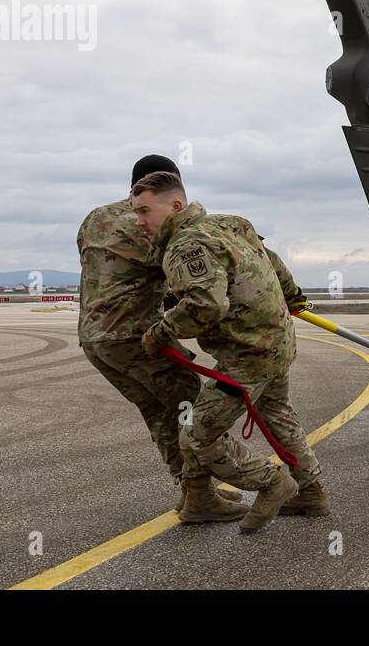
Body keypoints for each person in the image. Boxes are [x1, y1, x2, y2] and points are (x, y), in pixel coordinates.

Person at [131, 171, 326, 533]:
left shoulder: (186, 246)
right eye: (135, 213)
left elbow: (205, 305)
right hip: (277, 342)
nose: (139, 222)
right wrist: (293, 295)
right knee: (278, 415)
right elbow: (273, 261)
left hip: (248, 356)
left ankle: (271, 483)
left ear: (175, 205)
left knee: (195, 434)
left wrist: (158, 333)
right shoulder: (231, 224)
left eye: (144, 211)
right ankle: (312, 490)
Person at [77, 156, 246, 523]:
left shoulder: (95, 217)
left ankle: (192, 489)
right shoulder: (153, 222)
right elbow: (180, 274)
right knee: (190, 403)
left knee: (160, 412)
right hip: (134, 336)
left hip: (94, 339)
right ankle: (200, 496)